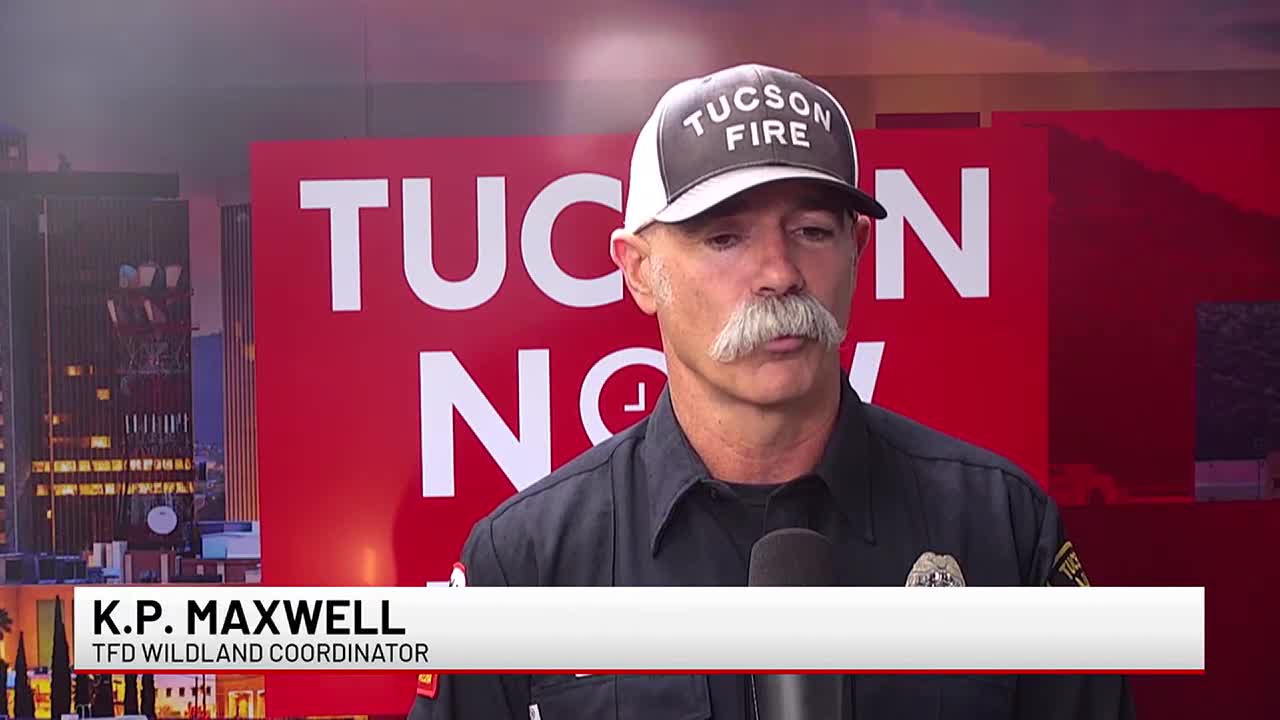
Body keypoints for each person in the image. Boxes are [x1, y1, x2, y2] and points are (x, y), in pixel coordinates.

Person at [408, 63, 1134, 720]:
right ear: (639, 272)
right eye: (724, 238)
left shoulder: (1003, 528)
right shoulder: (527, 563)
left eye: (812, 231)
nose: (780, 273)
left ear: (858, 249)